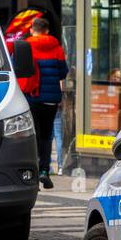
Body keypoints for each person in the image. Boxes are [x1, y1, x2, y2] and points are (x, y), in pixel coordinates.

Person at [26, 18, 68, 189]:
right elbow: (63, 73)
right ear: (47, 30)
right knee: (46, 135)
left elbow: (17, 68)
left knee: (33, 135)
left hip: (32, 97)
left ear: (32, 30)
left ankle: (33, 173)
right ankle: (44, 170)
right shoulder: (57, 48)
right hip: (51, 99)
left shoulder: (26, 47)